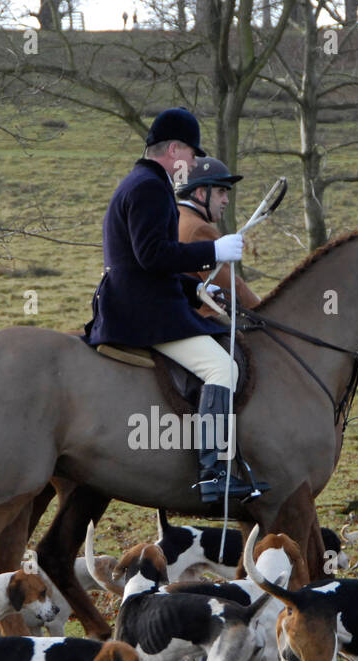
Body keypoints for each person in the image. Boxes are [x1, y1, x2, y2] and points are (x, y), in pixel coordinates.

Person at [84, 107, 264, 503]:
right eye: (191, 153)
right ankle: (214, 470)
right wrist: (212, 249)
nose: (193, 162)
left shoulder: (142, 182)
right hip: (142, 313)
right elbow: (151, 256)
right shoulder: (149, 187)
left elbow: (145, 264)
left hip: (141, 299)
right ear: (175, 148)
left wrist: (193, 290)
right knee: (221, 367)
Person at [176, 158, 262, 317]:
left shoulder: (179, 217)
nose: (226, 200)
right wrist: (261, 306)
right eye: (221, 192)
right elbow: (228, 288)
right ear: (202, 193)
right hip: (199, 319)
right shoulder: (198, 229)